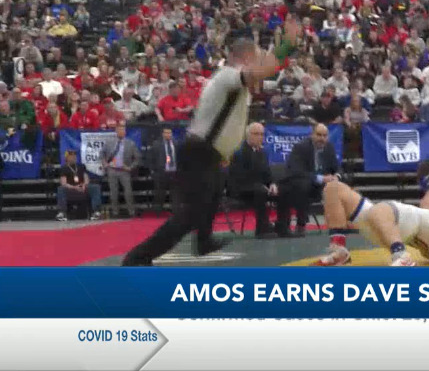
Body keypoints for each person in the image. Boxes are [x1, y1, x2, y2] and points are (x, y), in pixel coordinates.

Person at [122, 21, 297, 266]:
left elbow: (262, 72)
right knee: (189, 215)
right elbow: (261, 71)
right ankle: (137, 258)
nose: (259, 63)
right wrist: (286, 45)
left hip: (208, 153)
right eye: (256, 57)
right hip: (199, 152)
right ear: (246, 57)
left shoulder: (228, 80)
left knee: (211, 197)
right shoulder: (228, 76)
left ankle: (204, 239)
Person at [311, 180, 429, 266]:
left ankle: (401, 255)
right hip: (396, 225)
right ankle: (339, 250)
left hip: (421, 227)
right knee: (332, 187)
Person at [276, 123, 341, 237]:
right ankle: (301, 224)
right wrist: (321, 178)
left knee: (342, 185)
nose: (322, 138)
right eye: (319, 135)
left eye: (324, 136)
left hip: (323, 185)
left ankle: (344, 223)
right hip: (305, 184)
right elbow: (297, 171)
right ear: (312, 135)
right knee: (303, 185)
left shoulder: (329, 148)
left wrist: (337, 176)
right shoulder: (301, 147)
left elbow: (337, 168)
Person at [228, 122, 280, 239]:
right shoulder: (239, 153)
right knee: (260, 191)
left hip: (258, 187)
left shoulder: (262, 153)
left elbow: (267, 174)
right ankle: (262, 229)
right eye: (256, 134)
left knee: (282, 190)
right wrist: (262, 186)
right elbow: (240, 178)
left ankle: (282, 225)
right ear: (248, 135)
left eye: (262, 134)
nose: (260, 137)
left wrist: (272, 184)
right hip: (241, 189)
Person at [101, 124, 140, 218]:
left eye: (123, 130)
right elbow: (102, 154)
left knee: (128, 191)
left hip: (124, 170)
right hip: (112, 170)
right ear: (116, 131)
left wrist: (130, 167)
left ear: (125, 132)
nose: (121, 132)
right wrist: (105, 163)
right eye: (119, 130)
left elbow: (137, 158)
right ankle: (115, 212)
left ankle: (131, 211)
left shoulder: (130, 144)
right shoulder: (109, 142)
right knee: (113, 192)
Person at [56, 150, 102, 221]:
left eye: (74, 156)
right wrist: (74, 187)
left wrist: (84, 185)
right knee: (61, 189)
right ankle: (61, 213)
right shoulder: (64, 168)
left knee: (95, 187)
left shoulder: (81, 166)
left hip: (82, 188)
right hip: (71, 189)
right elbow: (63, 183)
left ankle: (96, 212)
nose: (73, 157)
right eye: (71, 156)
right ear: (67, 158)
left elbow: (86, 178)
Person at [149, 127, 179, 214]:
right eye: (166, 133)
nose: (168, 135)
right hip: (161, 172)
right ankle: (158, 212)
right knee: (160, 193)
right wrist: (153, 171)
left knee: (175, 193)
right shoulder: (156, 144)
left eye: (169, 133)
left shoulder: (176, 143)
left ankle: (175, 211)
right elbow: (151, 159)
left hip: (174, 172)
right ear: (162, 134)